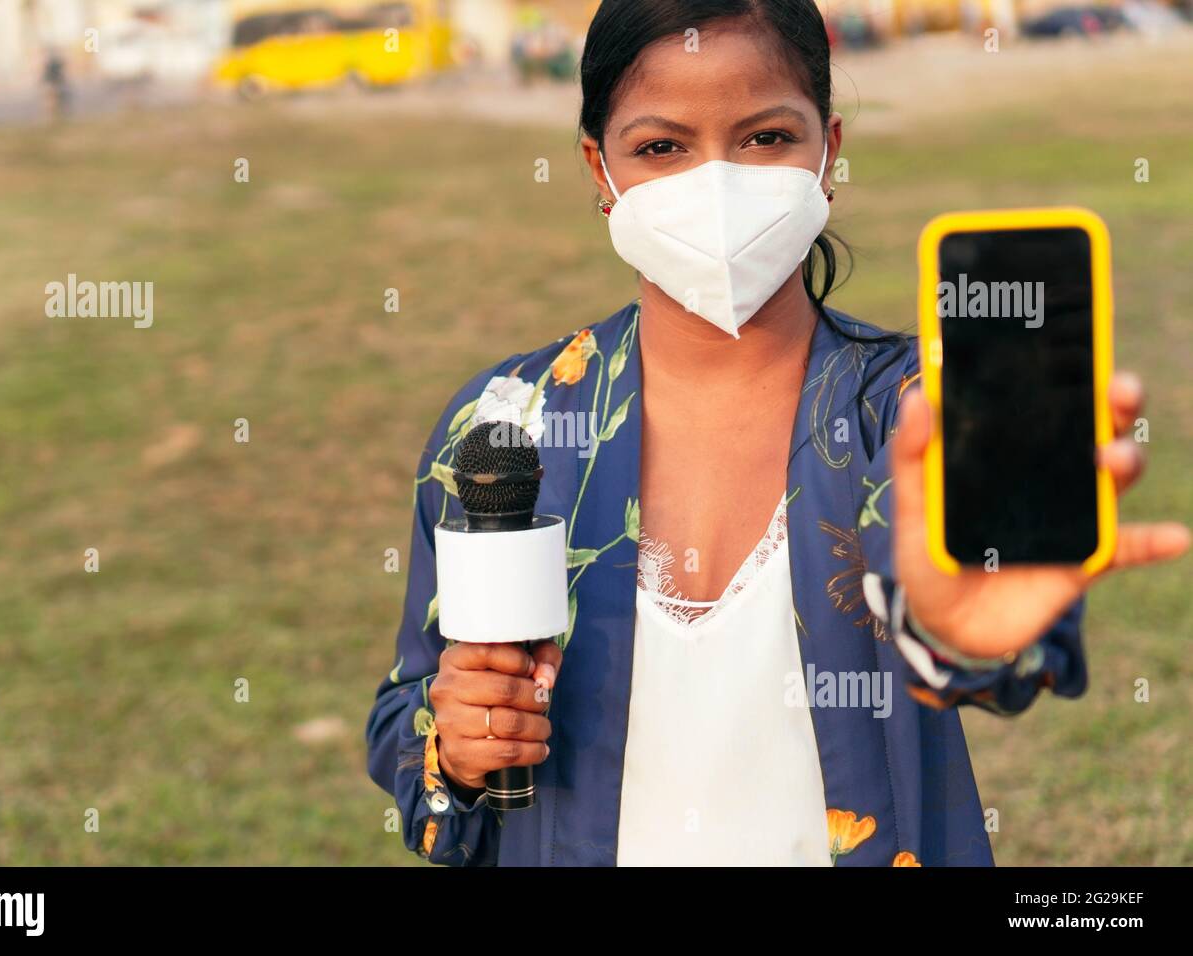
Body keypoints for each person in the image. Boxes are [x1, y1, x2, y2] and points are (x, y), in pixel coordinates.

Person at [365, 0, 1188, 866]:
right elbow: (409, 717)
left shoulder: (915, 413)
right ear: (596, 168)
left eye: (764, 138)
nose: (716, 182)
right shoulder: (507, 424)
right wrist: (454, 743)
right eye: (660, 148)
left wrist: (962, 628)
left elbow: (1009, 644)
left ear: (828, 151)